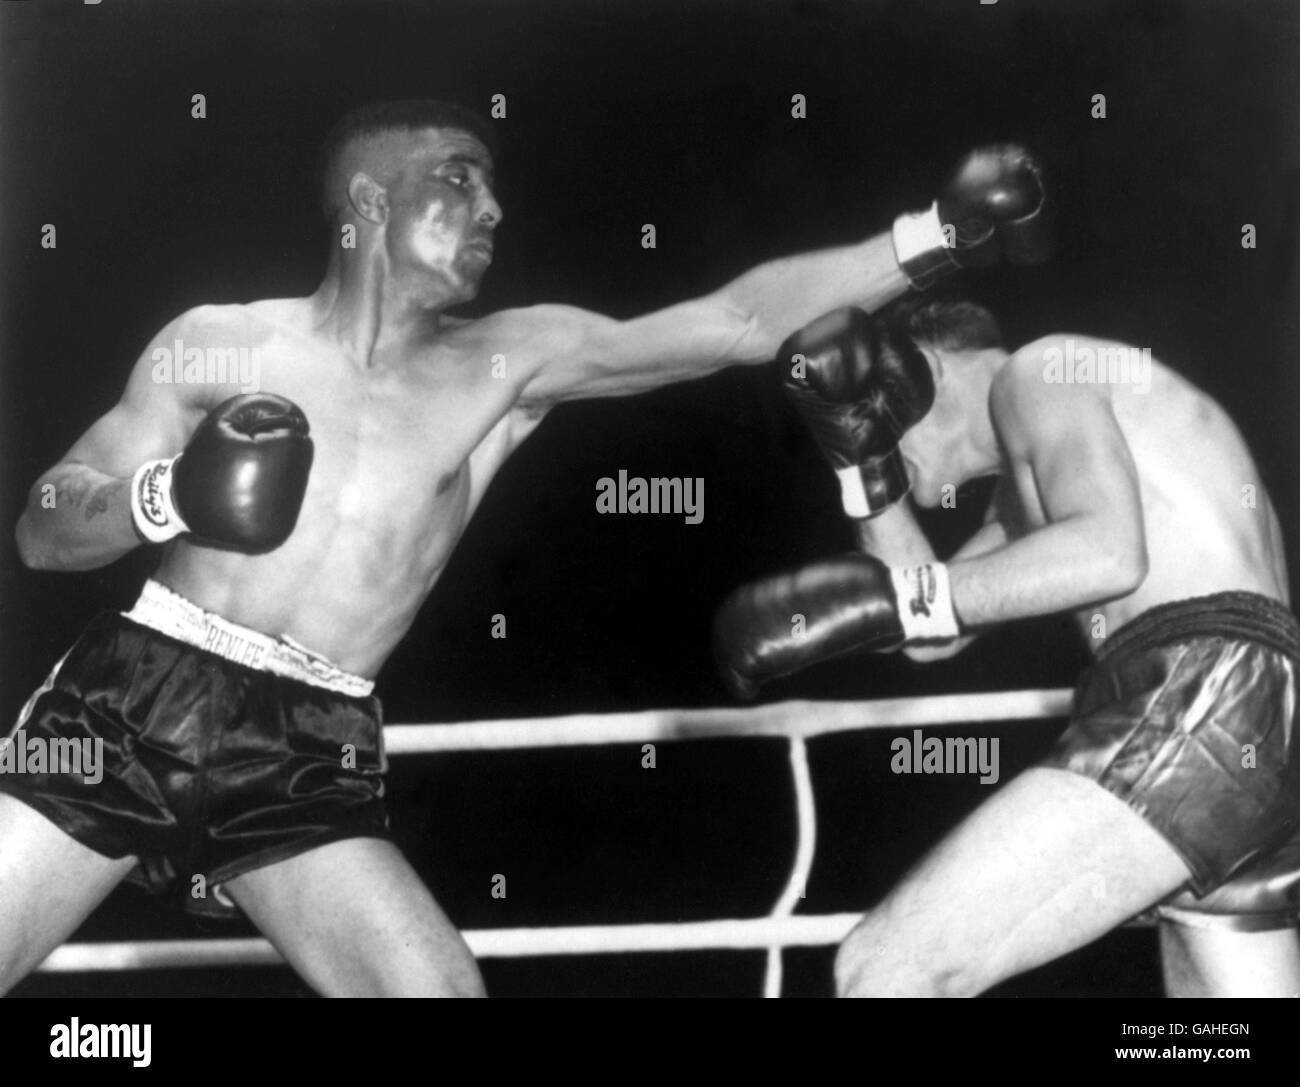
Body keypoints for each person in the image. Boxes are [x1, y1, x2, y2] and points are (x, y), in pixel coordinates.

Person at [2, 99, 1050, 996]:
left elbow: (730, 322)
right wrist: (164, 495)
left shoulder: (506, 359)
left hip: (306, 742)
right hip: (135, 696)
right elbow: (45, 526)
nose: (493, 209)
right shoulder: (220, 337)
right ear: (369, 200)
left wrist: (927, 235)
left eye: (493, 189)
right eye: (458, 181)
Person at [713, 299, 1300, 996]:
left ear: (926, 371)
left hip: (1205, 691)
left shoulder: (1039, 370)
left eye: (889, 437)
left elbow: (1110, 554)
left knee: (883, 969)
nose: (898, 468)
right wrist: (860, 466)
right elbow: (934, 630)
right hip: (1256, 732)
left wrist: (909, 601)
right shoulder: (1037, 486)